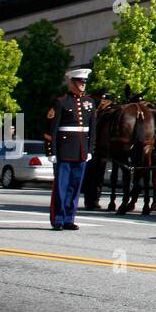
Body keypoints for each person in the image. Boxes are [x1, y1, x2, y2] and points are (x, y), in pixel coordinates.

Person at [46, 68, 99, 231]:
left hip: (81, 151)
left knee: (75, 187)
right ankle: (58, 219)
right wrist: (51, 151)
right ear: (71, 83)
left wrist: (90, 149)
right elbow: (51, 129)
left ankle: (69, 218)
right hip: (64, 150)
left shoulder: (89, 103)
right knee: (61, 186)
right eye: (79, 82)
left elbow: (92, 129)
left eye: (84, 82)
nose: (82, 85)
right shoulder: (61, 102)